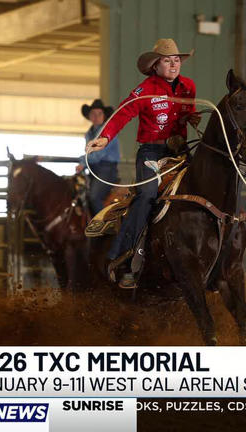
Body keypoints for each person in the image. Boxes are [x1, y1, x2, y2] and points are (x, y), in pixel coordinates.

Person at [86, 38, 200, 289]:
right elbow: (124, 113)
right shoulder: (144, 89)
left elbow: (187, 112)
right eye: (167, 60)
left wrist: (192, 118)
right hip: (151, 154)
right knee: (147, 195)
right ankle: (125, 257)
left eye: (177, 60)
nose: (174, 64)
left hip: (179, 151)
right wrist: (105, 137)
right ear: (155, 65)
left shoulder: (188, 87)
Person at [77, 99, 121, 216]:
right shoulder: (89, 133)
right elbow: (90, 154)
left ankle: (100, 225)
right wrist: (84, 160)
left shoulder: (107, 133)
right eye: (93, 114)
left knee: (94, 197)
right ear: (89, 116)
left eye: (99, 113)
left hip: (106, 170)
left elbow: (97, 155)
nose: (96, 116)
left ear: (104, 115)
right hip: (94, 170)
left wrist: (83, 162)